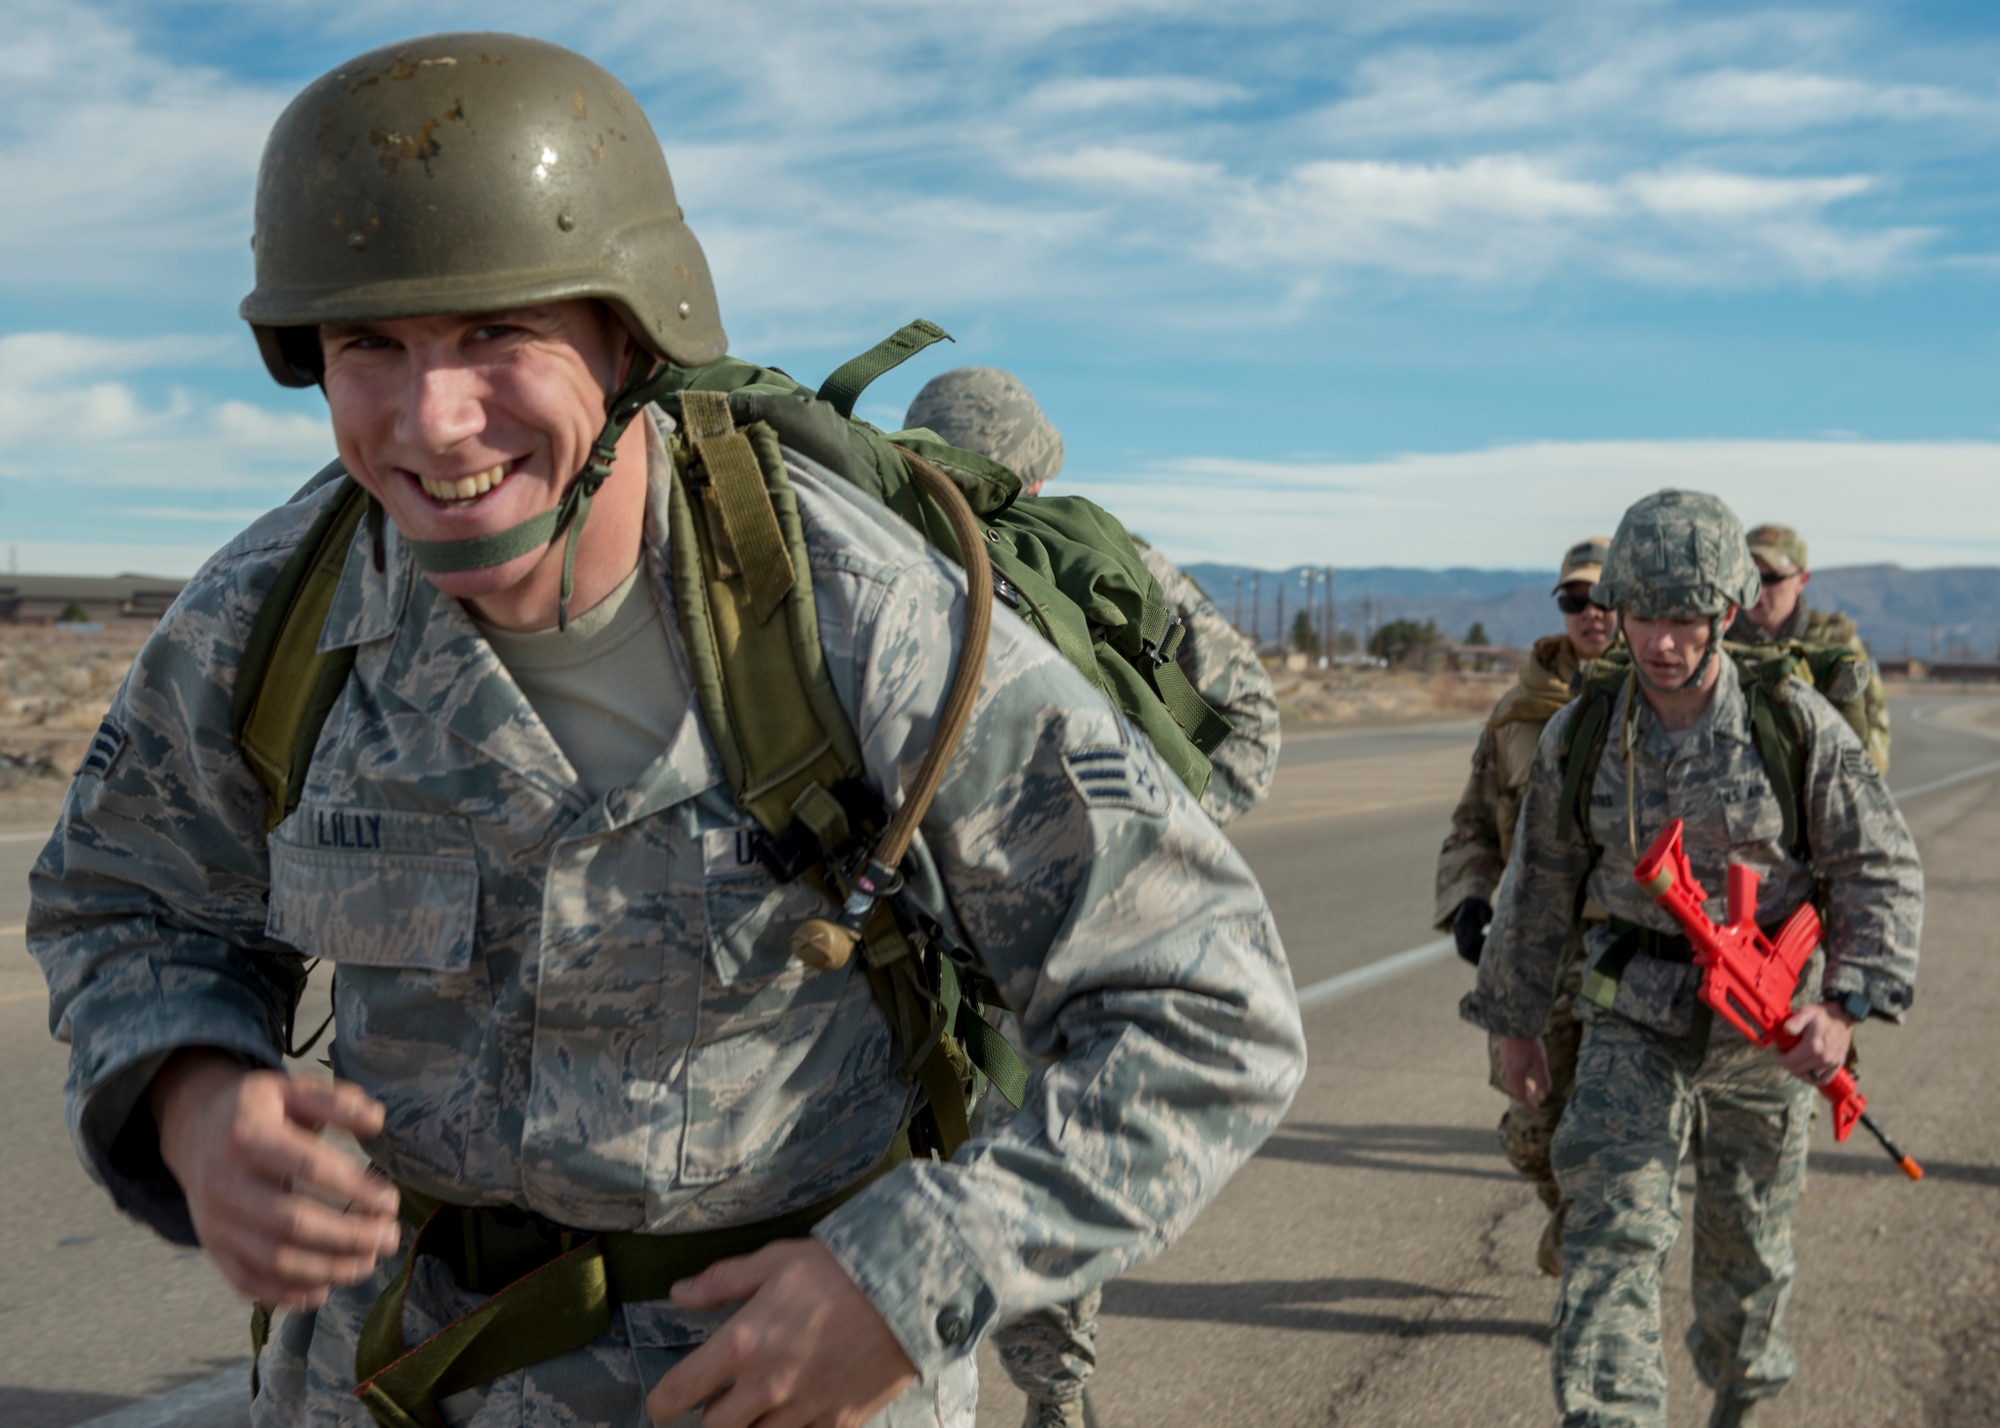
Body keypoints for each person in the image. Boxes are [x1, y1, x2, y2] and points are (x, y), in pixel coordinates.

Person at [28, 33, 1306, 1428]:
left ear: (628, 338)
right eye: (368, 347)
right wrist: (193, 1092)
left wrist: (916, 1278)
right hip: (385, 1378)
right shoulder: (270, 613)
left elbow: (1205, 1003)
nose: (432, 419)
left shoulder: (852, 615)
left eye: (497, 335)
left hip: (767, 1384)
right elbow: (131, 901)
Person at [1462, 489, 1921, 1428]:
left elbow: (1879, 864)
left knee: (1745, 1247)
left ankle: (1743, 1388)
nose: (1661, 641)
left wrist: (1840, 1008)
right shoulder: (1583, 730)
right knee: (1610, 1232)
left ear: (1723, 612)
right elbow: (1536, 884)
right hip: (1634, 1009)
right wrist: (1513, 1024)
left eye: (1684, 617)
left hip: (1769, 1029)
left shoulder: (1792, 723)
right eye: (1644, 615)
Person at [903, 366, 1281, 1428]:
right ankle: (1054, 1403)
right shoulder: (1107, 565)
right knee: (1024, 1205)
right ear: (1034, 466)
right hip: (1030, 957)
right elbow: (1247, 727)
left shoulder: (866, 552)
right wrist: (1136, 842)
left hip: (888, 955)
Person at [904, 366, 1281, 829]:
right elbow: (1251, 728)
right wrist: (1161, 827)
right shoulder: (1106, 563)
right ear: (1036, 477)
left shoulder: (881, 552)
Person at [1432, 535, 1615, 1278]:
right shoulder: (1518, 714)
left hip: (1622, 949)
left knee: (1610, 1129)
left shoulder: (1658, 701)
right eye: (1574, 599)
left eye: (1604, 597)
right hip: (1537, 947)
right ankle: (1574, 1229)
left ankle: (1593, 1275)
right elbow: (1473, 821)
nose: (1590, 612)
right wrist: (1470, 897)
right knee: (1531, 1133)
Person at [1726, 522, 1890, 775]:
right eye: (1749, 577)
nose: (1758, 589)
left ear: (1802, 580)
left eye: (1770, 579)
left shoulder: (1836, 648)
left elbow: (1874, 738)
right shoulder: (1716, 643)